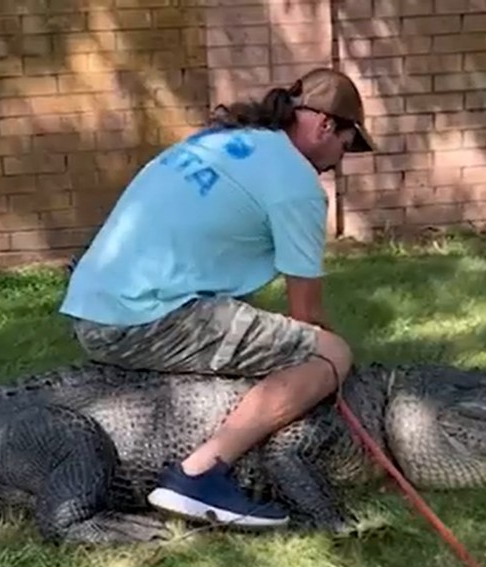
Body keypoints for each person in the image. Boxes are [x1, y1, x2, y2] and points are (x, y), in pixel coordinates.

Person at [58, 67, 376, 529]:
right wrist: (326, 367)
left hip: (94, 305)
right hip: (138, 319)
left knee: (278, 337)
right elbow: (307, 318)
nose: (334, 163)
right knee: (331, 356)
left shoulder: (220, 142)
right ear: (326, 126)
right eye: (343, 148)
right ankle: (200, 475)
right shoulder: (296, 183)